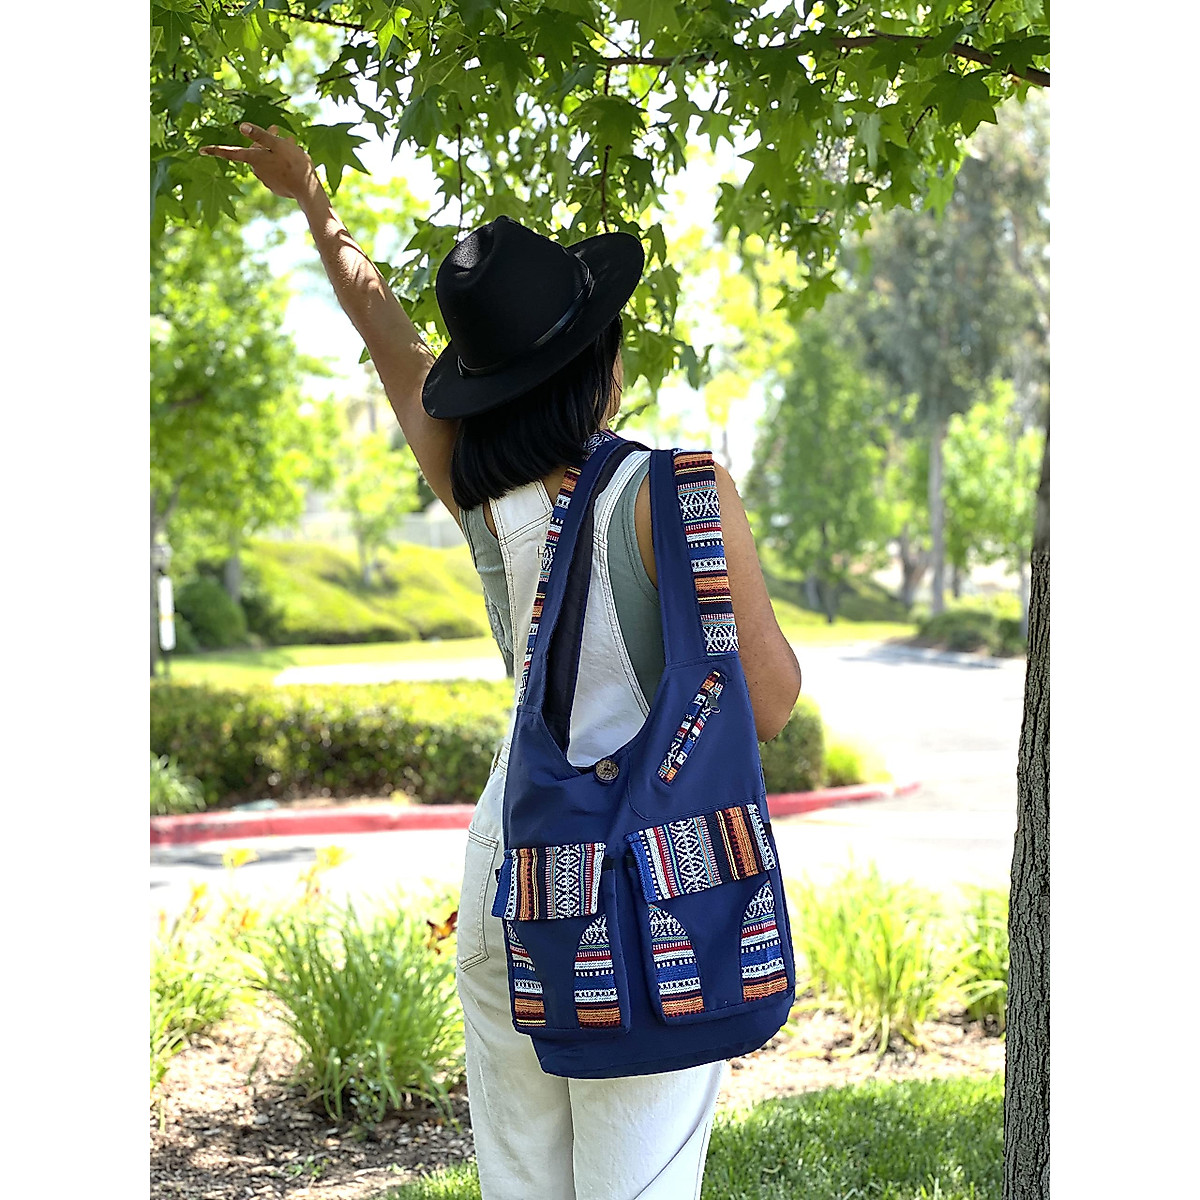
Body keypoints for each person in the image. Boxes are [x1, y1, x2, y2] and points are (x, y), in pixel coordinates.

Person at [200, 123, 803, 1199]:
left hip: (512, 867)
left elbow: (387, 339)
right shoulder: (681, 494)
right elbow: (768, 702)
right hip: (654, 883)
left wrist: (312, 201)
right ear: (604, 371)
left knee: (522, 1182)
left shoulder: (485, 498)